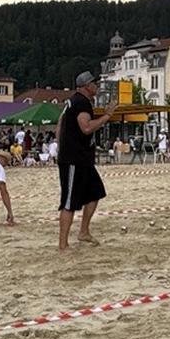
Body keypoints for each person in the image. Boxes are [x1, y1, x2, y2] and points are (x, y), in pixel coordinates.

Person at [56, 71, 118, 251]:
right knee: (69, 202)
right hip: (74, 159)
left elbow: (60, 125)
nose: (97, 86)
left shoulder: (71, 102)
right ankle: (63, 244)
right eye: (94, 83)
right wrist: (107, 116)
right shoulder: (81, 103)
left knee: (95, 192)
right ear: (87, 86)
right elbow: (86, 127)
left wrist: (61, 146)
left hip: (81, 158)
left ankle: (83, 231)